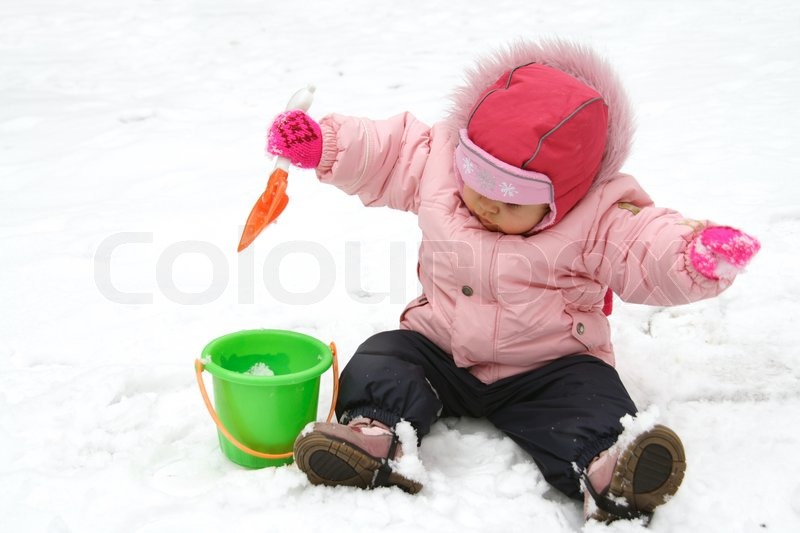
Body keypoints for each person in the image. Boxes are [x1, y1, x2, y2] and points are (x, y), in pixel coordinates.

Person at [263, 39, 760, 523]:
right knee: (383, 358)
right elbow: (389, 153)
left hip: (549, 365)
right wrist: (322, 143)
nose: (484, 203)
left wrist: (694, 256)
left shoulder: (598, 215)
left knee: (592, 400)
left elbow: (642, 244)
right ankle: (374, 436)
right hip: (441, 345)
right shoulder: (442, 165)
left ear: (562, 197)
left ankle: (608, 470)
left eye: (510, 200)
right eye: (476, 182)